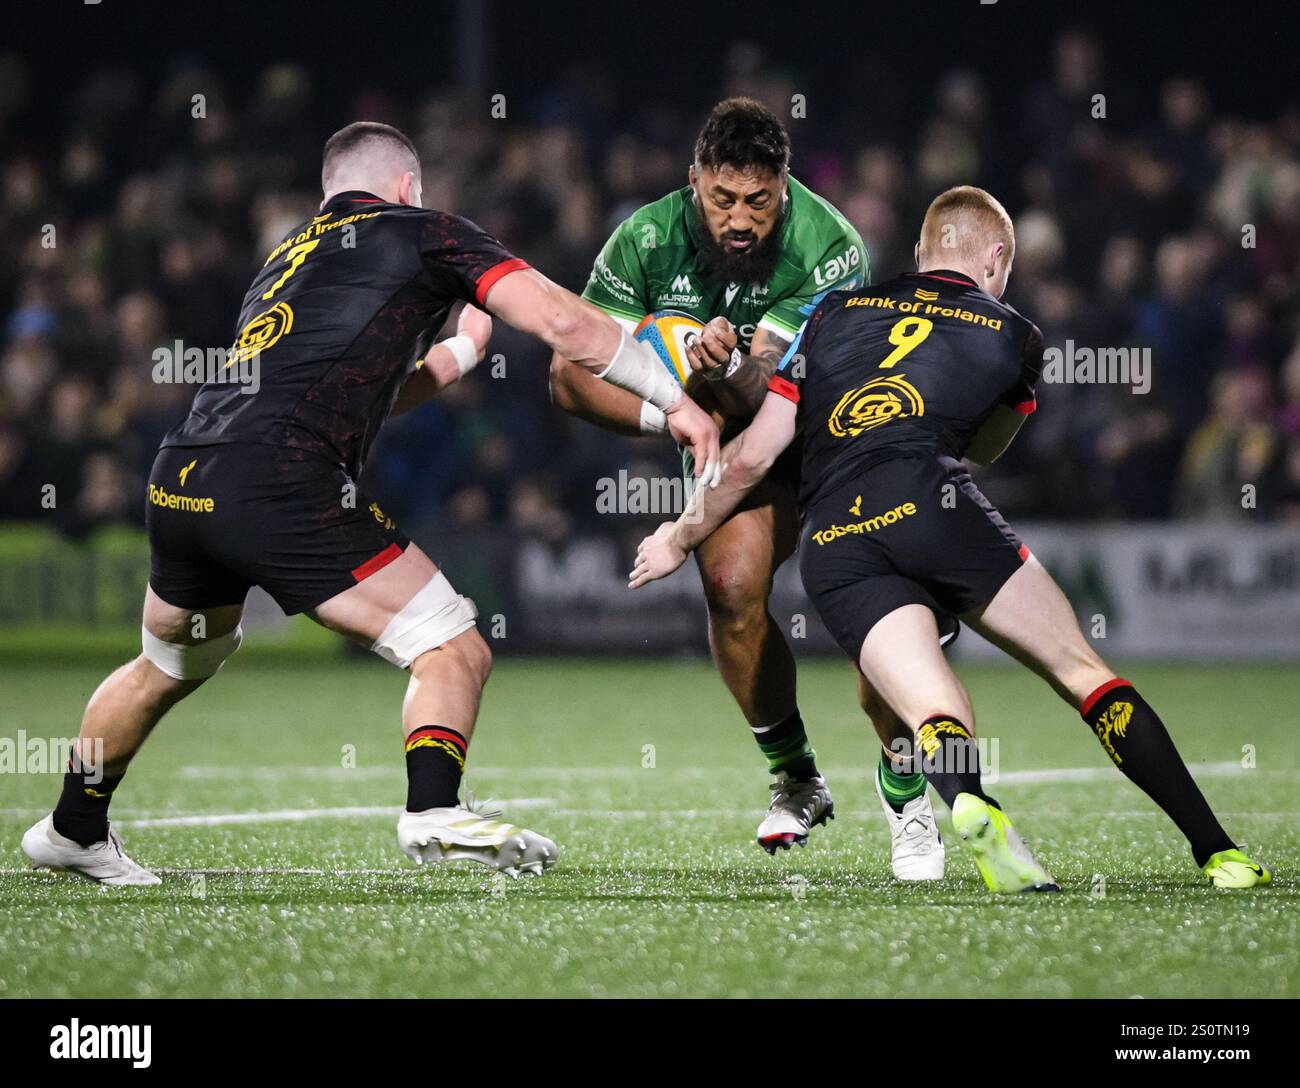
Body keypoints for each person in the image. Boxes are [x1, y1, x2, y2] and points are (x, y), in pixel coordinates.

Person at [21, 121, 721, 886]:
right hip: (278, 480)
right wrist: (668, 403)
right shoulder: (427, 232)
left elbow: (351, 392)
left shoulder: (284, 260)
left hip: (184, 472)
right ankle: (433, 809)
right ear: (406, 188)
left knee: (167, 663)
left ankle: (72, 827)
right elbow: (561, 321)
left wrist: (456, 357)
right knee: (454, 645)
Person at [629, 185, 1272, 892]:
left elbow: (751, 457)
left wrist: (678, 535)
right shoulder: (1014, 332)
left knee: (934, 709)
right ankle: (1217, 852)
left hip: (837, 538)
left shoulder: (833, 314)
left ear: (918, 253)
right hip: (933, 506)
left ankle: (969, 801)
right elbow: (983, 448)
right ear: (996, 257)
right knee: (1084, 674)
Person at [553, 98, 944, 868]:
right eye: (722, 199)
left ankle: (907, 796)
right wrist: (669, 413)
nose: (740, 219)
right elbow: (567, 377)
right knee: (731, 588)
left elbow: (772, 395)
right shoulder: (645, 237)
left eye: (759, 202)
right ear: (693, 180)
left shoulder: (827, 245)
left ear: (785, 187)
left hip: (832, 441)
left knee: (872, 614)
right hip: (730, 447)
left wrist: (727, 368)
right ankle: (796, 776)